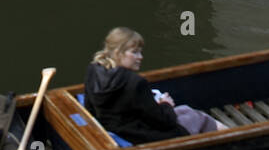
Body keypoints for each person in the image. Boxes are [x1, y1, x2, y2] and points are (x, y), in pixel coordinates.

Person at [84, 27, 226, 143]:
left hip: (113, 129)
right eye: (134, 52)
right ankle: (233, 138)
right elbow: (164, 122)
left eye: (140, 52)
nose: (140, 57)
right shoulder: (135, 82)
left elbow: (89, 108)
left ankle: (226, 134)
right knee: (196, 117)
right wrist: (166, 104)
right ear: (117, 53)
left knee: (185, 110)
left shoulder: (94, 70)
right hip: (138, 136)